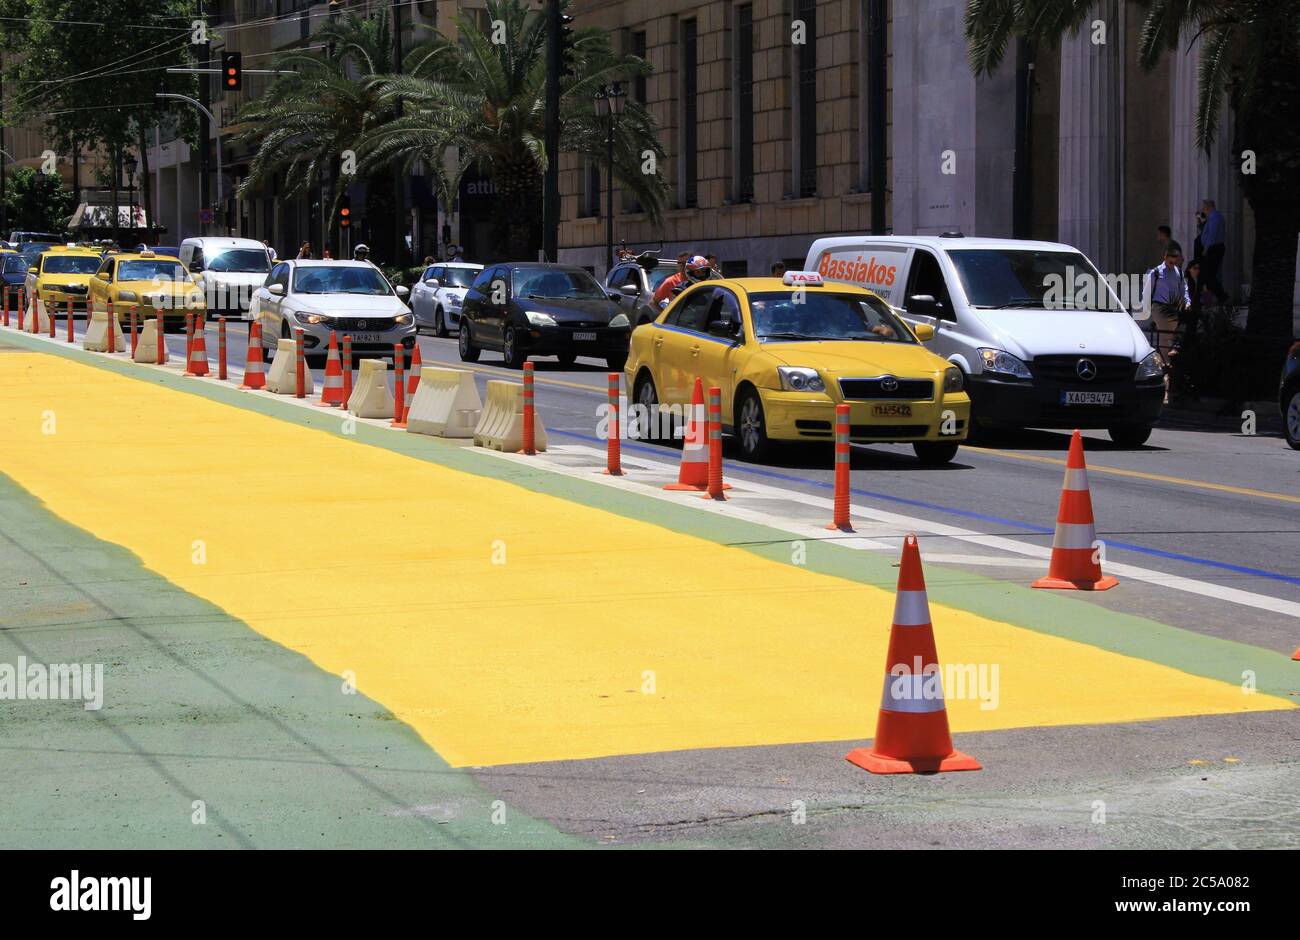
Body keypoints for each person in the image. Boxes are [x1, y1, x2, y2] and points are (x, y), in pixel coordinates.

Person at [1143, 241, 1190, 363]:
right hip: (1160, 307)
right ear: (1165, 256)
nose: (1173, 260)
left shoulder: (1179, 273)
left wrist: (1187, 302)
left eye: (1176, 257)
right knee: (1166, 338)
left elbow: (1184, 289)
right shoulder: (1156, 273)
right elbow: (1147, 292)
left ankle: (1165, 362)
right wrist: (1147, 311)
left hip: (1175, 307)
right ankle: (1167, 365)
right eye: (1171, 256)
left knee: (1174, 336)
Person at [1197, 199, 1228, 305]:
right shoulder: (1214, 217)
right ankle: (1219, 297)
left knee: (1208, 275)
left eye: (1204, 207)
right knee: (1209, 275)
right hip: (1214, 248)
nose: (1202, 210)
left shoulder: (1214, 217)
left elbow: (1212, 235)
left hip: (1213, 249)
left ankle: (1221, 296)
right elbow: (1208, 232)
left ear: (1208, 207)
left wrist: (1206, 249)